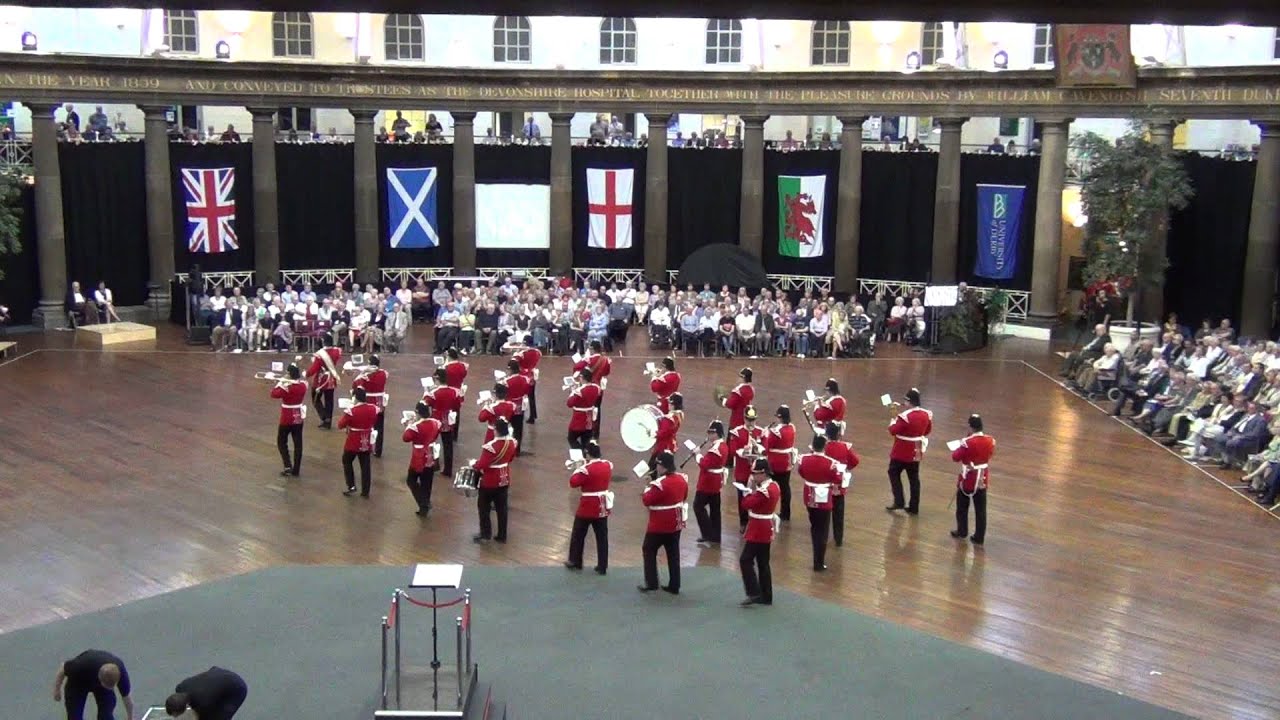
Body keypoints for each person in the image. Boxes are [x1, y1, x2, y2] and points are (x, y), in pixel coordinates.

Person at [639, 451, 688, 595]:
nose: (657, 467)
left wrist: (648, 486)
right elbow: (684, 496)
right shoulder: (681, 479)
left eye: (658, 464)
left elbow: (647, 500)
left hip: (659, 524)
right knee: (673, 554)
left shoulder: (660, 484)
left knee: (648, 549)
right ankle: (675, 585)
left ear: (663, 466)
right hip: (676, 522)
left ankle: (652, 582)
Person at [565, 439, 613, 574]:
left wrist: (577, 468)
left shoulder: (586, 469)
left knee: (578, 534)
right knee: (602, 537)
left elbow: (573, 483)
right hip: (602, 505)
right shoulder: (607, 465)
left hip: (588, 505)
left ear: (587, 453)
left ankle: (575, 561)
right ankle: (602, 565)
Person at [739, 457, 781, 607]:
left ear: (763, 473)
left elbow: (746, 504)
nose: (753, 476)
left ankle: (754, 592)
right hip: (764, 526)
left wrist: (747, 492)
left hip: (759, 528)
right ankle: (766, 595)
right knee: (763, 563)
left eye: (755, 474)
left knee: (745, 559)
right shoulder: (774, 486)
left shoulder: (764, 490)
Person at [887, 388, 933, 514]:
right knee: (914, 479)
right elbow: (927, 431)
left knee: (893, 473)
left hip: (902, 450)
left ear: (910, 401)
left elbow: (892, 430)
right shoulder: (926, 414)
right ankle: (914, 507)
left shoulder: (904, 416)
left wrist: (893, 417)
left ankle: (899, 501)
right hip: (916, 450)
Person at [951, 414, 996, 545]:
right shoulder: (990, 440)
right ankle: (979, 536)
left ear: (971, 427)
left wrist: (961, 444)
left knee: (962, 507)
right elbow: (990, 454)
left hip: (968, 478)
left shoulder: (967, 442)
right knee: (981, 510)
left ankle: (962, 530)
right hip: (982, 477)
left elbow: (956, 457)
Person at [798, 435, 841, 571]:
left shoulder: (804, 459)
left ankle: (817, 558)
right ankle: (819, 562)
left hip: (809, 497)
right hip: (824, 500)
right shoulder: (831, 463)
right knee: (822, 531)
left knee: (815, 526)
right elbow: (837, 479)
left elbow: (802, 473)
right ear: (824, 446)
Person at [472, 418, 518, 544]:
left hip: (490, 480)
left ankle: (485, 534)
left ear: (496, 431)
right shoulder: (512, 443)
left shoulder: (491, 447)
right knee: (502, 508)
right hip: (504, 478)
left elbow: (483, 465)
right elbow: (511, 458)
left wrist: (473, 464)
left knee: (484, 508)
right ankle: (502, 535)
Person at [53, 649, 133, 720]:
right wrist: (57, 690)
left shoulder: (120, 670)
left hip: (101, 685)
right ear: (100, 678)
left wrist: (130, 717)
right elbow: (62, 669)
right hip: (78, 683)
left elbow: (126, 698)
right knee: (75, 715)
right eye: (108, 686)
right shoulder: (80, 665)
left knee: (106, 714)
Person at [402, 400, 443, 516]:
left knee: (411, 480)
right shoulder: (435, 422)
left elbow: (406, 438)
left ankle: (423, 502)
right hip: (430, 452)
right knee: (427, 481)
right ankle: (425, 503)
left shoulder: (416, 426)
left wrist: (408, 426)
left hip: (419, 455)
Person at [693, 420, 730, 546]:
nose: (708, 434)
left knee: (698, 506)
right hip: (715, 481)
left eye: (710, 432)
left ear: (716, 433)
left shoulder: (716, 448)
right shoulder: (722, 445)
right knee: (715, 510)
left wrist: (697, 455)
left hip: (708, 482)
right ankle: (715, 536)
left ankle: (708, 533)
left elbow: (705, 464)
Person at [822, 423, 859, 547]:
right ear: (838, 433)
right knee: (839, 513)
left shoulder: (824, 447)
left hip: (825, 485)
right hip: (838, 485)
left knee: (824, 514)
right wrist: (846, 468)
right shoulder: (845, 447)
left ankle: (823, 537)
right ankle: (838, 539)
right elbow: (855, 461)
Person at [728, 405, 764, 531]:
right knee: (742, 498)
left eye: (753, 420)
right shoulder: (736, 432)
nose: (750, 423)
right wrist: (745, 451)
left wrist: (758, 448)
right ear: (744, 418)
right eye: (748, 420)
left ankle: (755, 521)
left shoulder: (760, 432)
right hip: (742, 471)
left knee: (758, 497)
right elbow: (732, 451)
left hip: (757, 472)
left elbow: (765, 450)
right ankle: (743, 522)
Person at [338, 387, 378, 497]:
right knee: (365, 465)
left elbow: (340, 425)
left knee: (347, 460)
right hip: (367, 438)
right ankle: (365, 490)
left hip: (354, 440)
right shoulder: (373, 408)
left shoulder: (352, 411)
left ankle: (351, 485)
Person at [164, 666, 248, 720]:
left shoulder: (203, 703)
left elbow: (201, 716)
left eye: (176, 715)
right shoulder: (180, 687)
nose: (175, 718)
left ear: (186, 706)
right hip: (219, 676)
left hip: (236, 689)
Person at [424, 367, 463, 476]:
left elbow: (426, 403)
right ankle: (448, 469)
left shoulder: (434, 392)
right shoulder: (454, 391)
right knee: (448, 445)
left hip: (436, 419)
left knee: (431, 442)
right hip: (448, 419)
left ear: (437, 378)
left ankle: (433, 463)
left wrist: (427, 391)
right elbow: (457, 405)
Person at [270, 364, 307, 477]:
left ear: (290, 375)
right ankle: (296, 469)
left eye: (287, 373)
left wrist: (280, 382)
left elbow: (274, 394)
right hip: (298, 416)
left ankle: (287, 466)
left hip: (286, 417)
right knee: (298, 444)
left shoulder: (286, 387)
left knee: (281, 441)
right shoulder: (303, 385)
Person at [762, 405, 797, 521]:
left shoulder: (776, 431)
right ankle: (786, 513)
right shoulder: (792, 427)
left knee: (770, 487)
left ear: (780, 417)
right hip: (787, 462)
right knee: (785, 488)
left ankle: (768, 509)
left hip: (775, 463)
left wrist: (766, 434)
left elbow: (767, 446)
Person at [352, 355, 389, 457]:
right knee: (379, 427)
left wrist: (363, 372)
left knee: (368, 427)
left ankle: (368, 446)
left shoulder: (366, 376)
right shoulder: (384, 373)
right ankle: (378, 450)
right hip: (380, 403)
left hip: (369, 403)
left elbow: (355, 384)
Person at [573, 340, 612, 438]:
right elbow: (607, 372)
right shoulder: (605, 359)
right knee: (597, 410)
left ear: (592, 349)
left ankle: (588, 431)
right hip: (599, 389)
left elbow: (576, 367)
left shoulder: (589, 359)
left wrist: (583, 360)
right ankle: (596, 433)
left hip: (588, 388)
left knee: (586, 410)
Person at [305, 335, 342, 429]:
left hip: (321, 380)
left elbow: (314, 368)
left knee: (315, 399)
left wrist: (307, 374)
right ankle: (328, 420)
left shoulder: (320, 354)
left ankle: (324, 417)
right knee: (329, 400)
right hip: (331, 378)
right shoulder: (337, 351)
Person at [566, 367, 601, 451]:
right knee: (585, 440)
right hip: (589, 418)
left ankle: (580, 453)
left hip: (578, 418)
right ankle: (585, 453)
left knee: (571, 438)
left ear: (582, 378)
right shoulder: (597, 387)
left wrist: (572, 391)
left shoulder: (579, 391)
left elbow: (569, 403)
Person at [501, 359, 532, 450]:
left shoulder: (506, 381)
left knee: (504, 427)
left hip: (508, 407)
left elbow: (503, 394)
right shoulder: (526, 379)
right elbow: (528, 391)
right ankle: (517, 449)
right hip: (520, 406)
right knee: (518, 429)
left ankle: (506, 447)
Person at [651, 392, 684, 473]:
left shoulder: (669, 418)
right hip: (671, 444)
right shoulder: (680, 414)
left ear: (672, 404)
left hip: (663, 446)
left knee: (653, 468)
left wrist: (653, 433)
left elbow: (663, 433)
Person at [514, 344, 542, 423]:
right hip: (532, 376)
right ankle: (533, 415)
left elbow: (513, 362)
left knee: (521, 397)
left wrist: (516, 353)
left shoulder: (522, 354)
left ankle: (521, 414)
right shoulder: (536, 352)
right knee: (531, 397)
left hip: (523, 377)